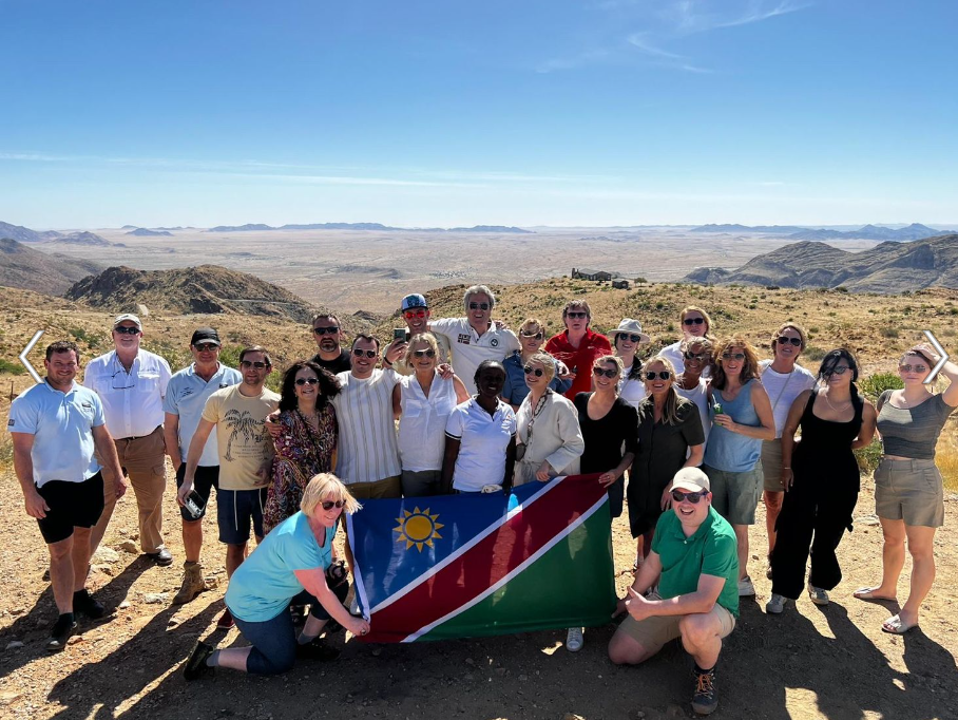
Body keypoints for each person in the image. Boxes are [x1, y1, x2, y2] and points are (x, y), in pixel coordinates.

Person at [183, 474, 369, 680]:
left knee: (338, 585)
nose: (334, 510)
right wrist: (351, 623)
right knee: (280, 661)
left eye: (339, 503)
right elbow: (321, 592)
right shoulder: (297, 537)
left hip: (282, 592)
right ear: (312, 502)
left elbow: (321, 564)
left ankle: (305, 644)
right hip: (254, 603)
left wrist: (332, 569)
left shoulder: (327, 522)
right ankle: (211, 656)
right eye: (327, 504)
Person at [9, 341, 127, 652]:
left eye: (70, 363)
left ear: (78, 364)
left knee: (84, 537)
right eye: (58, 363)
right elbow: (21, 449)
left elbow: (102, 435)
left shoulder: (88, 396)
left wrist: (116, 472)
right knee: (60, 550)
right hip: (51, 488)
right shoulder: (29, 401)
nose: (65, 368)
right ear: (46, 363)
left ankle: (78, 592)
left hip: (88, 482)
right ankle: (65, 616)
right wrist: (28, 492)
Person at [608, 468, 739, 717]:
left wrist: (649, 608)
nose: (685, 503)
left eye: (693, 497)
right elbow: (652, 564)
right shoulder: (668, 521)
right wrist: (630, 598)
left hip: (713, 609)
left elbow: (704, 601)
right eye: (678, 496)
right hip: (669, 599)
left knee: (696, 625)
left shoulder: (721, 537)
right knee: (620, 653)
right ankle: (680, 635)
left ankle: (705, 674)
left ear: (708, 498)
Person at [853, 344, 958, 634]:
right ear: (899, 369)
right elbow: (870, 431)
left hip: (921, 479)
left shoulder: (939, 403)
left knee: (920, 549)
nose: (911, 372)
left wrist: (936, 357)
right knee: (891, 539)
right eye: (906, 366)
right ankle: (887, 588)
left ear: (931, 371)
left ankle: (910, 612)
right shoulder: (888, 397)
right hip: (887, 475)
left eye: (919, 367)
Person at [766, 349, 877, 614]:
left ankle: (819, 581)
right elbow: (789, 431)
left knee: (830, 530)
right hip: (803, 470)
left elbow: (864, 440)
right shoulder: (808, 397)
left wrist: (835, 448)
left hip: (841, 476)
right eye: (828, 369)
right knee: (793, 528)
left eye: (840, 369)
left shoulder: (865, 407)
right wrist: (786, 466)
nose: (833, 374)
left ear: (852, 372)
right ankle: (783, 590)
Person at [178, 346, 280, 629]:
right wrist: (188, 479)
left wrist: (274, 467)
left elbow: (285, 444)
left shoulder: (275, 403)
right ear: (240, 366)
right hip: (230, 488)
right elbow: (199, 438)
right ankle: (238, 600)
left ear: (268, 369)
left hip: (265, 488)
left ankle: (268, 597)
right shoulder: (220, 399)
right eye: (247, 364)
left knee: (266, 544)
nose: (252, 369)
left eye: (259, 365)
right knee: (236, 546)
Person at [84, 313, 173, 564]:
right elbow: (87, 406)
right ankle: (82, 556)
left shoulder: (157, 364)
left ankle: (153, 546)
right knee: (99, 501)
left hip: (148, 442)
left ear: (141, 335)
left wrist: (169, 436)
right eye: (121, 328)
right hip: (106, 444)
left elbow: (169, 402)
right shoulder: (96, 367)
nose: (127, 333)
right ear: (112, 335)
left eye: (133, 329)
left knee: (151, 497)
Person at [163, 328, 242, 605]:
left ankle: (238, 583)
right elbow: (170, 428)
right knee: (191, 519)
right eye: (201, 346)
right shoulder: (177, 381)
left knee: (234, 522)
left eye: (211, 346)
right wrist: (180, 467)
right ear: (191, 349)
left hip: (230, 466)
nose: (206, 351)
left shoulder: (235, 378)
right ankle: (193, 574)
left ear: (220, 348)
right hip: (193, 469)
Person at [702, 336, 776, 598]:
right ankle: (717, 576)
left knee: (738, 528)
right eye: (727, 356)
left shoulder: (754, 389)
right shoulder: (713, 389)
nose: (732, 361)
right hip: (713, 467)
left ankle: (739, 580)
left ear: (747, 361)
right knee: (715, 527)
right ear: (719, 360)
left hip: (744, 470)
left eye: (738, 356)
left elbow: (770, 431)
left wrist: (736, 427)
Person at [630, 356, 705, 568]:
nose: (657, 380)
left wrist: (672, 486)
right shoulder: (643, 407)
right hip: (640, 485)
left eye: (663, 375)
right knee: (646, 537)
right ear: (645, 379)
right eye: (651, 375)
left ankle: (662, 592)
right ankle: (649, 590)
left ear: (672, 378)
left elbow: (697, 454)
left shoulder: (686, 409)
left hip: (668, 488)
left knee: (663, 540)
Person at [759, 323, 817, 578]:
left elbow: (814, 415)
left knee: (774, 502)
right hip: (746, 440)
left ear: (801, 348)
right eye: (783, 339)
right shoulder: (757, 369)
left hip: (777, 443)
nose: (788, 345)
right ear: (774, 342)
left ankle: (775, 554)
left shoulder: (805, 379)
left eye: (795, 341)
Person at [263, 361, 341, 534]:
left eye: (312, 380)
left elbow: (333, 449)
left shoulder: (328, 412)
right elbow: (290, 456)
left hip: (321, 492)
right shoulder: (282, 419)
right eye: (300, 381)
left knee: (322, 541)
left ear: (319, 385)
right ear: (293, 389)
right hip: (289, 493)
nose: (307, 385)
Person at [393, 333, 469, 497]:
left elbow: (469, 415)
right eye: (418, 354)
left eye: (429, 353)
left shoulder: (451, 382)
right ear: (410, 358)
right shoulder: (402, 388)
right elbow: (390, 416)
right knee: (416, 519)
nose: (424, 358)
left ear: (437, 357)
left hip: (447, 466)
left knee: (446, 518)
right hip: (413, 469)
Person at [331, 335, 406, 499]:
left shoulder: (388, 378)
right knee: (353, 526)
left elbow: (421, 383)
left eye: (370, 354)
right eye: (359, 352)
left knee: (388, 525)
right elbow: (306, 400)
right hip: (350, 478)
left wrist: (446, 373)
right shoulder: (336, 384)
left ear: (377, 358)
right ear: (350, 353)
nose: (364, 357)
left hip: (389, 475)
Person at [575, 355, 639, 523]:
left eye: (610, 373)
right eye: (599, 371)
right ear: (592, 373)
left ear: (618, 377)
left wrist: (617, 473)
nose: (603, 377)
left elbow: (632, 450)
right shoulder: (579, 399)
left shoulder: (626, 410)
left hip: (606, 481)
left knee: (599, 536)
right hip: (579, 478)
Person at [442, 360, 517, 494]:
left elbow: (510, 452)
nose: (493, 382)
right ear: (477, 379)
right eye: (488, 377)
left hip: (497, 490)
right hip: (465, 491)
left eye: (498, 378)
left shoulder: (508, 412)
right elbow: (450, 456)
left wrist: (507, 482)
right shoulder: (460, 413)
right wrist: (445, 491)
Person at [430, 285, 521, 394]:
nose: (478, 310)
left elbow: (523, 357)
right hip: (462, 403)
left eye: (483, 306)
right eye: (473, 305)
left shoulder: (505, 335)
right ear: (466, 308)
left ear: (490, 309)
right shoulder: (455, 326)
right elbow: (421, 325)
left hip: (493, 404)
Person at [514, 352, 584, 487]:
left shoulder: (561, 405)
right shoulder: (526, 402)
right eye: (528, 370)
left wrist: (548, 463)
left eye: (538, 372)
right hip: (525, 477)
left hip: (552, 478)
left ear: (548, 377)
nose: (531, 375)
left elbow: (576, 444)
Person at [545, 300, 612, 400]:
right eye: (572, 315)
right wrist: (558, 376)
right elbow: (544, 375)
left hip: (592, 404)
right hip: (560, 404)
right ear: (565, 319)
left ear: (588, 319)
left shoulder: (601, 342)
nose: (576, 319)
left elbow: (610, 373)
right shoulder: (553, 344)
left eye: (581, 315)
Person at [502, 317, 572, 410]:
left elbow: (563, 400)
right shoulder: (509, 366)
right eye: (527, 334)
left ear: (543, 340)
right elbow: (504, 405)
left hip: (550, 422)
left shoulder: (553, 365)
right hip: (520, 422)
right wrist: (531, 413)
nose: (532, 339)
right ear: (519, 337)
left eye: (537, 336)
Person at [384, 293, 451, 375]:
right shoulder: (392, 350)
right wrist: (387, 360)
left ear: (427, 314)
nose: (415, 318)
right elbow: (385, 381)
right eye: (409, 315)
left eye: (420, 314)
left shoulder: (443, 338)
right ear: (404, 318)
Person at [674, 337, 714, 450]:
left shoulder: (708, 388)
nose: (693, 360)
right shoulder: (667, 385)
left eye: (700, 357)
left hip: (700, 460)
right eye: (690, 355)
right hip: (670, 460)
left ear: (709, 361)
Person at [659, 306, 714, 377]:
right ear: (682, 327)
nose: (694, 325)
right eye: (688, 322)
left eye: (698, 321)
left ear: (706, 325)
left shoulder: (717, 353)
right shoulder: (667, 354)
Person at [611, 319, 651, 409]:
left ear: (637, 344)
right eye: (624, 336)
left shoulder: (646, 372)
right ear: (616, 340)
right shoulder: (602, 368)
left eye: (634, 338)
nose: (628, 341)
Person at [309, 310, 352, 375]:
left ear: (340, 333)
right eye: (320, 331)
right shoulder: (309, 369)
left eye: (332, 330)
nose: (326, 336)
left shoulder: (355, 363)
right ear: (314, 335)